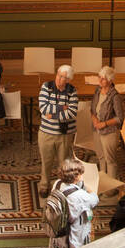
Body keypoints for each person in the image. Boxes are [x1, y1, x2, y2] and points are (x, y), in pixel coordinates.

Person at [37, 65, 79, 198]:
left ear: (68, 80)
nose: (59, 79)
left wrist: (53, 115)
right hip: (46, 133)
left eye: (63, 78)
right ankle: (44, 185)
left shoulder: (72, 91)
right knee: (46, 161)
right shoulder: (46, 86)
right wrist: (62, 107)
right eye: (59, 75)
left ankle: (63, 187)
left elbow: (72, 113)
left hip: (65, 135)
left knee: (64, 163)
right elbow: (43, 108)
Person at [52, 157, 99, 248]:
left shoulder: (57, 184)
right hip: (74, 230)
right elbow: (94, 200)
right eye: (81, 174)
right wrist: (90, 190)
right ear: (76, 176)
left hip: (58, 226)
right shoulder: (79, 195)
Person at [91, 65, 125, 178]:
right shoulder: (97, 90)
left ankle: (111, 189)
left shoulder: (115, 96)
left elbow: (120, 118)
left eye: (103, 78)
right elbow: (92, 109)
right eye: (99, 77)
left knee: (110, 160)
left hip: (109, 132)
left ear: (110, 81)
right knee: (101, 158)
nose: (100, 80)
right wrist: (94, 119)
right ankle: (103, 182)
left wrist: (104, 124)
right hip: (97, 130)